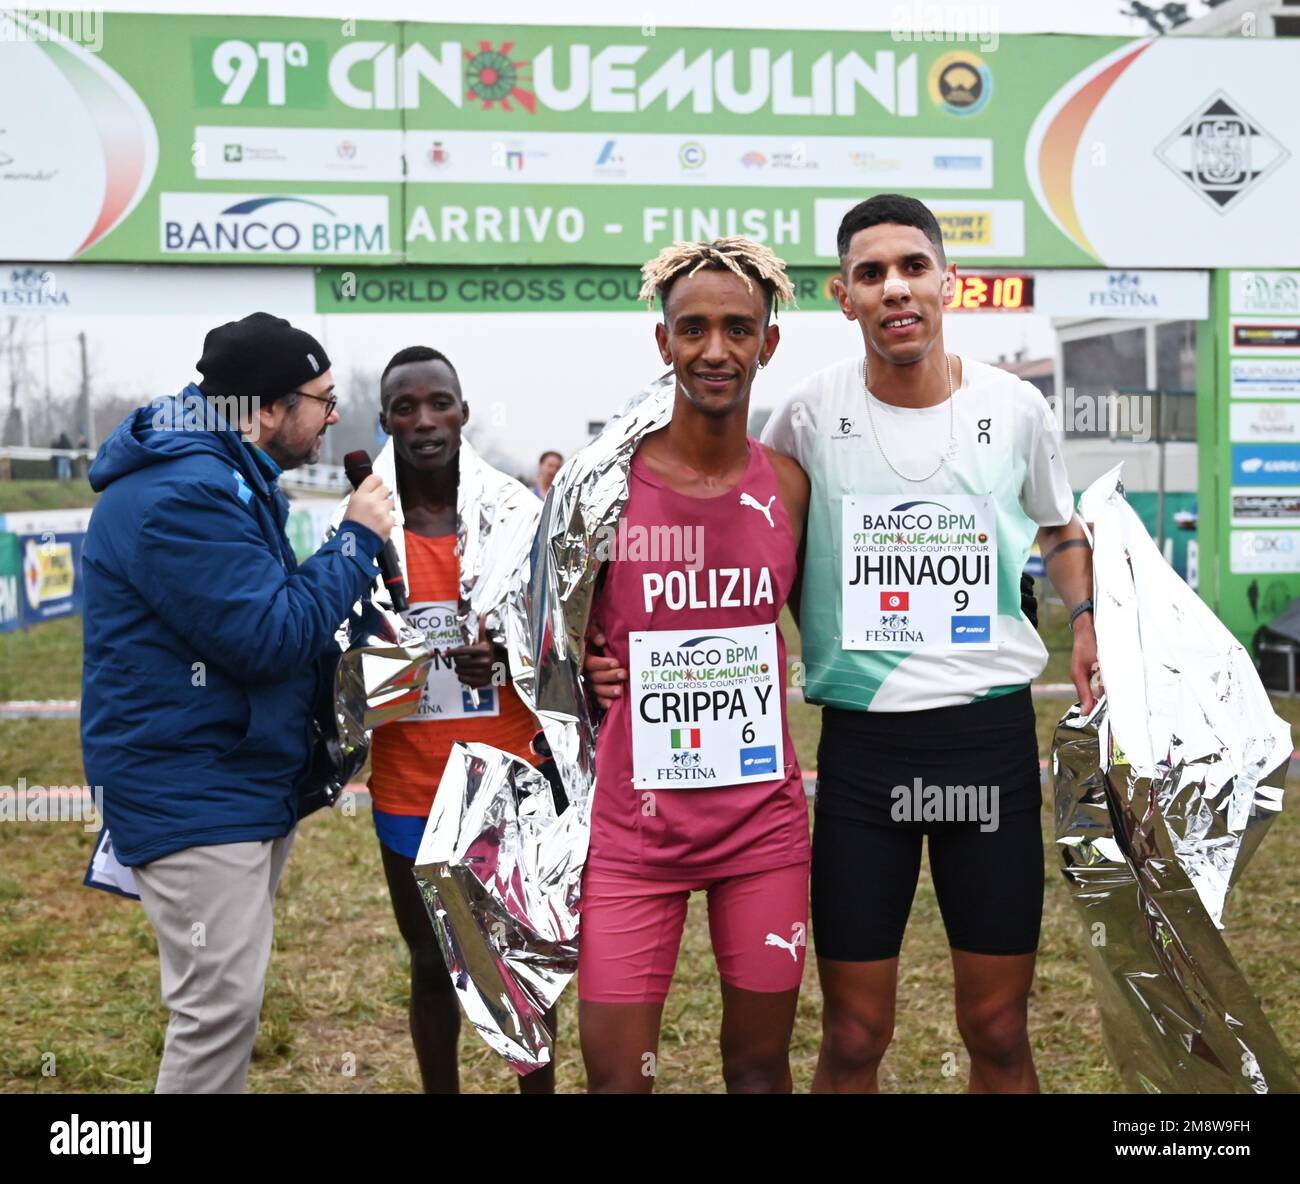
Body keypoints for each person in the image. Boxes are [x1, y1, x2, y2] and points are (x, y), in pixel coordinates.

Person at [760, 194, 1099, 1093]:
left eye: (913, 266)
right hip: (866, 753)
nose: (894, 288)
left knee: (996, 1028)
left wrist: (1090, 623)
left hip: (984, 745)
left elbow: (1061, 532)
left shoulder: (1016, 407)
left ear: (948, 283)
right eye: (871, 273)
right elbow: (760, 559)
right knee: (855, 1034)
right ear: (843, 296)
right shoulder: (801, 414)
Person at [80, 311, 394, 1093]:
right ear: (264, 410)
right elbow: (266, 635)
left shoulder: (217, 472)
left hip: (232, 776)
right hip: (192, 785)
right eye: (321, 401)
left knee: (227, 1007)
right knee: (216, 1012)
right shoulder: (181, 493)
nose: (331, 417)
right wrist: (355, 542)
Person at [579, 238, 811, 1094]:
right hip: (636, 836)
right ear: (663, 342)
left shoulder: (788, 486)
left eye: (738, 330)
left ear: (768, 344)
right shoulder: (604, 490)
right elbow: (546, 644)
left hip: (763, 831)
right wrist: (587, 666)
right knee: (617, 1080)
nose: (716, 351)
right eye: (694, 329)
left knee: (756, 1068)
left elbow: (827, 631)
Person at [366, 345, 555, 1094]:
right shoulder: (364, 523)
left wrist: (505, 659)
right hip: (409, 784)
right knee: (428, 962)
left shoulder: (514, 511)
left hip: (508, 774)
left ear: (463, 412)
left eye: (438, 402)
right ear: (385, 422)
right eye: (405, 408)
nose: (424, 420)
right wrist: (397, 664)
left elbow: (560, 641)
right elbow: (339, 658)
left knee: (517, 958)